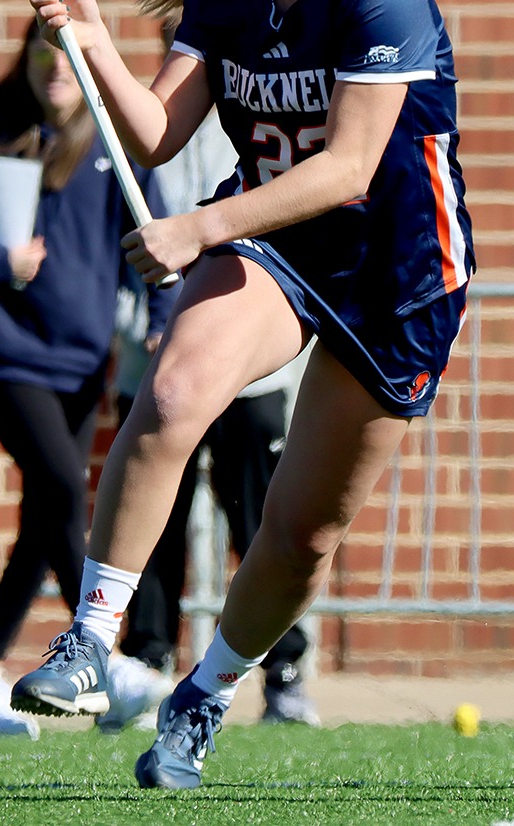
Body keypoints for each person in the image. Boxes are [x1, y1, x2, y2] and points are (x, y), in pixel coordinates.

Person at [7, 0, 475, 791]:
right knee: (171, 395)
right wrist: (93, 43)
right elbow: (160, 131)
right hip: (279, 243)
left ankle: (205, 693)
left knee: (302, 534)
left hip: (395, 274)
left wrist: (198, 225)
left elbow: (350, 170)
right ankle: (93, 638)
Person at [0, 21, 177, 741]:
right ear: (24, 61)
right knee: (60, 487)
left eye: (68, 60)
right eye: (41, 57)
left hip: (81, 361)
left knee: (43, 515)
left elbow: (152, 233)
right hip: (1, 352)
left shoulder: (111, 145)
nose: (54, 73)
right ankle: (103, 659)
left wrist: (162, 310)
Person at [99, 110, 320, 733]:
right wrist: (146, 318)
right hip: (154, 360)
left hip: (255, 368)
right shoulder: (142, 129)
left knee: (264, 517)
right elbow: (115, 243)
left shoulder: (264, 116)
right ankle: (146, 663)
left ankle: (283, 673)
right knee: (154, 516)